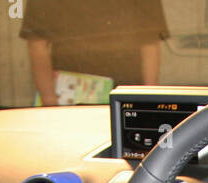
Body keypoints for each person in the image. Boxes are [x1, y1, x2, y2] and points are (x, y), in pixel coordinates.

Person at [21, 0, 170, 106]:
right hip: (71, 95)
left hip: (125, 93)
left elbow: (150, 43)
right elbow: (37, 44)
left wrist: (148, 101)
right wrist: (49, 100)